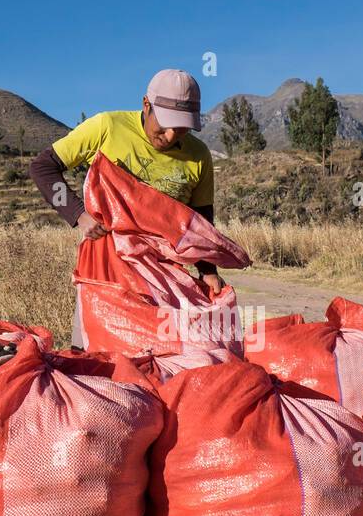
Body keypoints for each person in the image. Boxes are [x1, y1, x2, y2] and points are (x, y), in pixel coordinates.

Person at [29, 68, 222, 345]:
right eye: (165, 124)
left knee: (160, 357)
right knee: (94, 358)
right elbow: (43, 169)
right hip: (104, 274)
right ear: (146, 104)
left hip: (163, 278)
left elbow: (201, 223)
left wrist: (208, 270)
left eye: (180, 129)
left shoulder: (198, 155)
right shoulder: (108, 127)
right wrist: (77, 215)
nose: (169, 136)